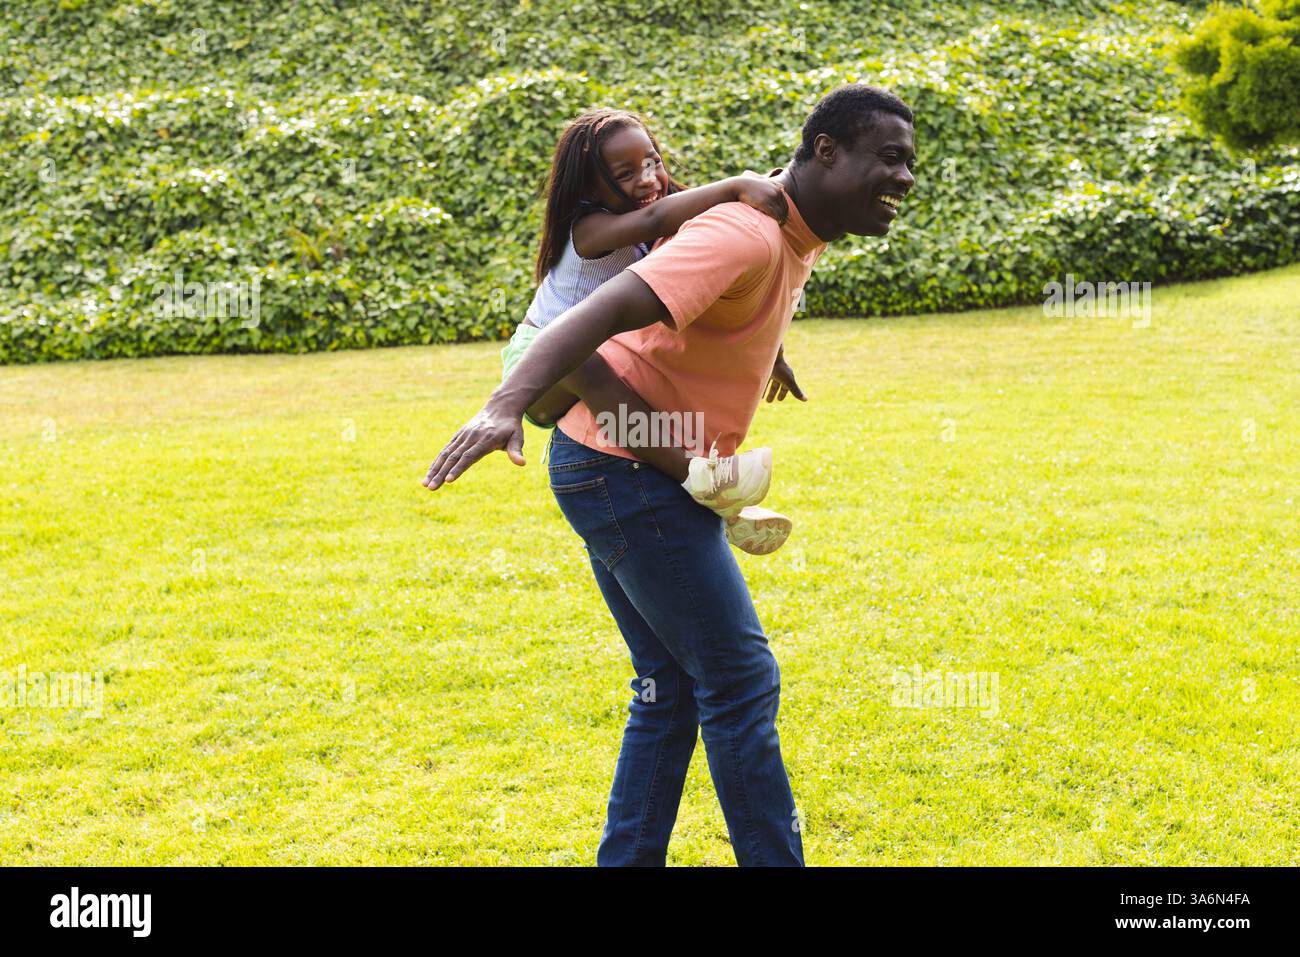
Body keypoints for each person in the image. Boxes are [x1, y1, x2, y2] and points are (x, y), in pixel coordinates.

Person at [424, 84, 916, 866]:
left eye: (910, 163)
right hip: (625, 469)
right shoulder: (743, 233)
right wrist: (504, 403)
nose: (905, 178)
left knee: (671, 685)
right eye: (889, 159)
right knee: (739, 676)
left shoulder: (792, 232)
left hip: (607, 462)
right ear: (827, 150)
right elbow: (593, 316)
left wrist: (770, 354)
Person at [507, 107, 802, 553]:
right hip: (540, 356)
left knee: (656, 400)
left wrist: (774, 355)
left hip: (584, 351)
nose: (647, 179)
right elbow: (654, 219)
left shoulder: (663, 214)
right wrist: (737, 184)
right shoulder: (590, 229)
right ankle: (691, 472)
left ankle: (719, 506)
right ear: (589, 188)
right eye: (625, 173)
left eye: (653, 163)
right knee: (594, 368)